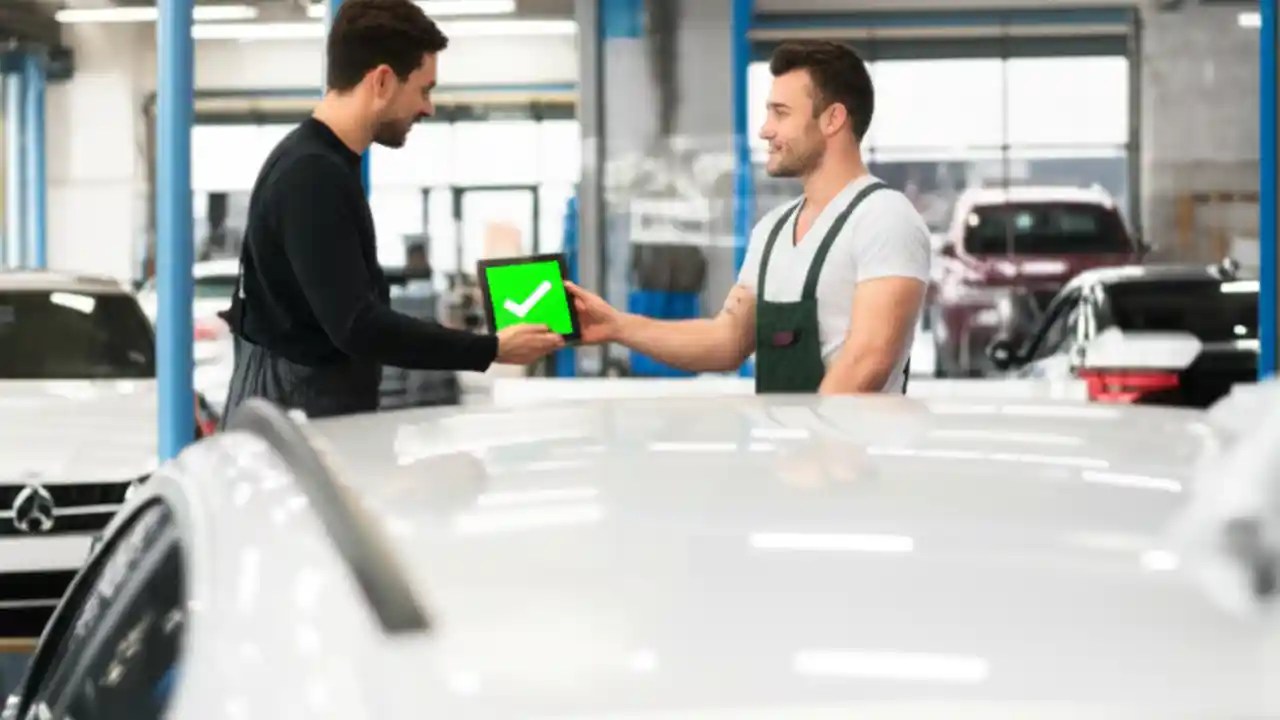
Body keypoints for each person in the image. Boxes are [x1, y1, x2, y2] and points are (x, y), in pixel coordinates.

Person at [219, 0, 561, 423]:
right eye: (424, 89)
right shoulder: (312, 174)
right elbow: (357, 326)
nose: (428, 108)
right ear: (382, 81)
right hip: (295, 432)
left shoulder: (317, 162)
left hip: (306, 415)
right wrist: (489, 349)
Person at [567, 40, 930, 394]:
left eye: (781, 112)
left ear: (833, 119)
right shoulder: (772, 230)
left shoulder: (885, 218)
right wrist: (617, 326)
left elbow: (868, 361)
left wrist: (812, 447)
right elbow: (726, 341)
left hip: (849, 453)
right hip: (787, 449)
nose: (765, 129)